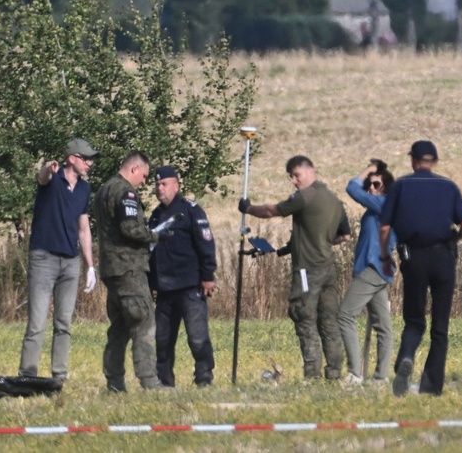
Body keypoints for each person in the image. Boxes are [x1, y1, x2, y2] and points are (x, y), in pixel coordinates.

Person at [239, 155, 351, 380]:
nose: (294, 180)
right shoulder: (334, 199)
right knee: (329, 321)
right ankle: (335, 372)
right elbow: (344, 236)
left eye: (296, 175)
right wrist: (317, 242)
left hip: (307, 270)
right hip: (329, 268)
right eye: (291, 177)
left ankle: (312, 374)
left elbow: (272, 211)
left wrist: (248, 208)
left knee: (304, 316)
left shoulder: (305, 196)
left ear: (310, 170)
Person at [378, 140, 462, 397]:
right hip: (443, 257)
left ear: (412, 160)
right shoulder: (448, 186)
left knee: (415, 319)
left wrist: (385, 255)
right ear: (435, 161)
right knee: (440, 326)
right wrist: (452, 240)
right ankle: (431, 387)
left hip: (413, 257)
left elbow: (384, 227)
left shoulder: (400, 186)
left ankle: (406, 357)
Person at [18, 138, 98, 382]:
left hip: (71, 262)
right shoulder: (53, 179)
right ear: (72, 158)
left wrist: (91, 266)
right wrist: (46, 168)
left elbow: (83, 228)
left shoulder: (85, 189)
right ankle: (27, 375)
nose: (90, 164)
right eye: (86, 159)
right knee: (37, 323)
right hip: (44, 259)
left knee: (63, 323)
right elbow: (42, 178)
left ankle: (59, 376)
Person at [94, 151, 168, 392]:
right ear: (134, 169)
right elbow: (130, 228)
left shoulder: (105, 188)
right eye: (144, 176)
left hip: (111, 268)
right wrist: (156, 235)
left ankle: (114, 383)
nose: (145, 182)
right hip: (129, 268)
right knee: (143, 321)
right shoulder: (125, 192)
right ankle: (150, 381)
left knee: (120, 328)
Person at [148, 165, 217, 388]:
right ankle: (164, 382)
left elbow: (206, 243)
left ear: (176, 186)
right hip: (165, 289)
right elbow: (150, 251)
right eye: (157, 184)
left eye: (164, 184)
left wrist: (208, 275)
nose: (160, 188)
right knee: (162, 341)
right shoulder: (156, 215)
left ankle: (204, 379)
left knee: (197, 338)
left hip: (190, 286)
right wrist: (151, 283)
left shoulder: (191, 211)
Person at [337, 159, 398, 385]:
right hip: (377, 269)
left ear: (385, 188)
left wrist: (368, 170)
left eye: (377, 184)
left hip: (373, 269)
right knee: (383, 326)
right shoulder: (380, 207)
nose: (371, 188)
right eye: (370, 185)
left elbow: (352, 188)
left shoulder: (383, 203)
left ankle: (354, 374)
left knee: (345, 315)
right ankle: (380, 378)